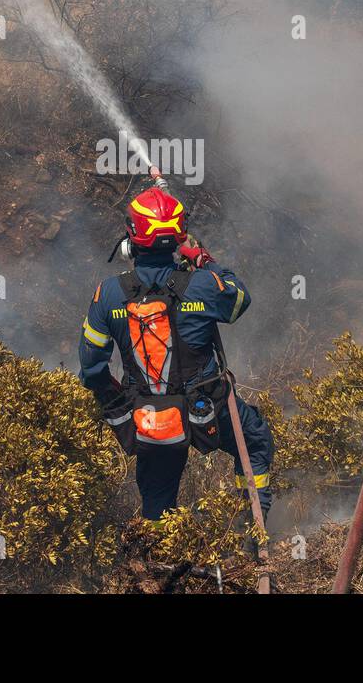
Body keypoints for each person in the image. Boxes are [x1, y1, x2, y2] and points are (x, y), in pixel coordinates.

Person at [79, 184, 273, 522]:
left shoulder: (108, 294)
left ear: (132, 238)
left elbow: (92, 368)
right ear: (179, 236)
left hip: (150, 418)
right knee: (254, 442)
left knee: (157, 500)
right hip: (208, 409)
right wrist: (204, 260)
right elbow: (240, 299)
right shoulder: (201, 285)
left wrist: (123, 403)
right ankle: (250, 532)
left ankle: (159, 559)